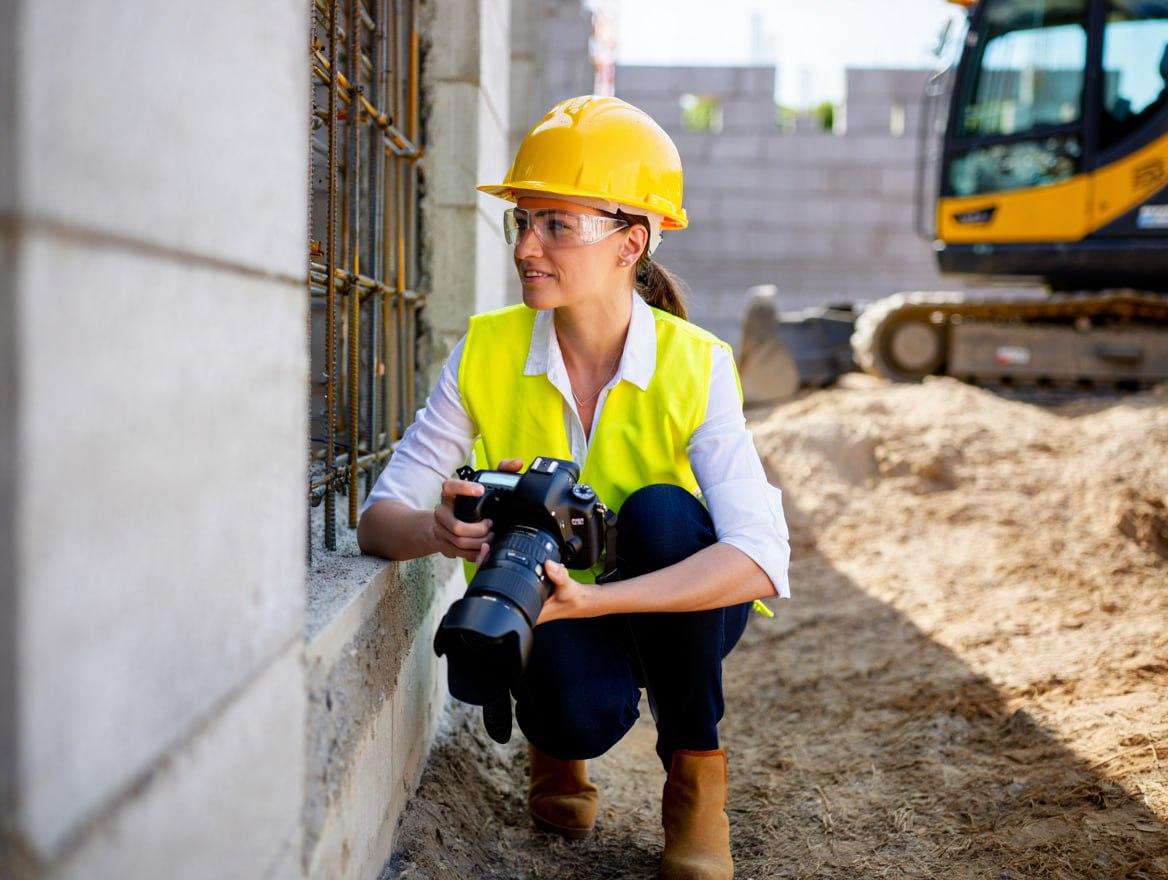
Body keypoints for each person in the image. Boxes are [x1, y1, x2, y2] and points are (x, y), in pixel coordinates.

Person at [357, 94, 790, 880]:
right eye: (522, 221)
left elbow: (760, 560)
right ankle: (557, 752)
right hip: (561, 615)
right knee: (569, 704)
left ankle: (695, 784)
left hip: (680, 610)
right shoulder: (486, 350)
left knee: (663, 513)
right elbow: (377, 518)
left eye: (557, 224)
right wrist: (437, 532)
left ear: (631, 243)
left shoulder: (699, 363)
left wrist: (598, 599)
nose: (527, 246)